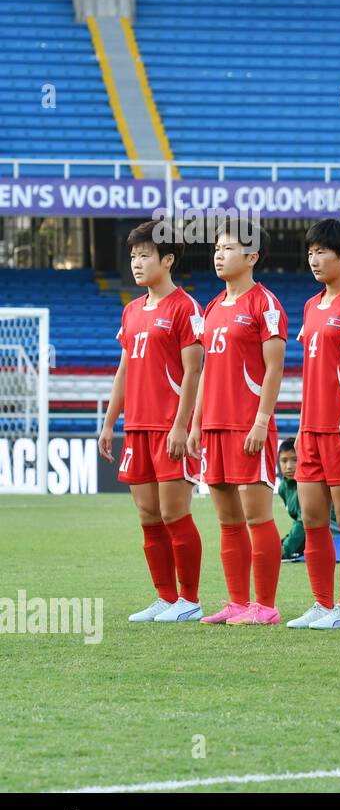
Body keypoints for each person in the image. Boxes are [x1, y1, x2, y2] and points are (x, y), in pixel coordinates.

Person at [99, 219, 205, 623]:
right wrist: (110, 422)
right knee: (148, 515)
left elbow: (194, 372)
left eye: (145, 255)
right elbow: (124, 370)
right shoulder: (131, 311)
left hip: (168, 427)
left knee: (175, 514)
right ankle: (164, 597)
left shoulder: (186, 308)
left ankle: (189, 599)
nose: (137, 263)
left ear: (168, 259)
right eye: (133, 256)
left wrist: (182, 425)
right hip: (137, 427)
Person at [188, 217, 288, 626]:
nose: (218, 255)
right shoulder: (211, 308)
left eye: (227, 249)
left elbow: (274, 369)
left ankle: (265, 606)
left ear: (251, 257)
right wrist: (195, 424)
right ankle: (236, 602)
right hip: (213, 425)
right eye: (216, 248)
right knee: (227, 519)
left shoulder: (265, 304)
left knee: (256, 516)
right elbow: (206, 372)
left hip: (248, 425)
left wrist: (262, 421)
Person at [286, 218, 340, 630]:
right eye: (310, 252)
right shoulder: (310, 305)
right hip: (310, 428)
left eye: (322, 251)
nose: (314, 259)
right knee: (313, 519)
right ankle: (322, 604)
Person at [276, 437, 304, 563]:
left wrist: (285, 550)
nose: (289, 466)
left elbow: (302, 523)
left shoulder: (306, 486)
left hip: (334, 532)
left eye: (294, 460)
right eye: (284, 461)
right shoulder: (283, 487)